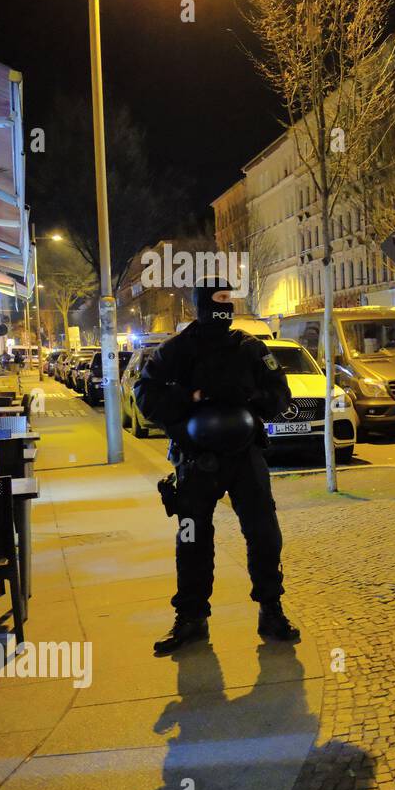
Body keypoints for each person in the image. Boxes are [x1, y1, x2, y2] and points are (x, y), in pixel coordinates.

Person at [135, 280, 299, 655]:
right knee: (192, 538)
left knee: (264, 535)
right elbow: (145, 394)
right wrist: (188, 398)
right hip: (195, 461)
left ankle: (271, 609)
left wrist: (252, 397)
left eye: (230, 299)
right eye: (219, 300)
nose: (226, 306)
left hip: (245, 457)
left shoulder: (250, 348)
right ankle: (191, 617)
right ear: (203, 305)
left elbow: (279, 393)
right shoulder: (176, 350)